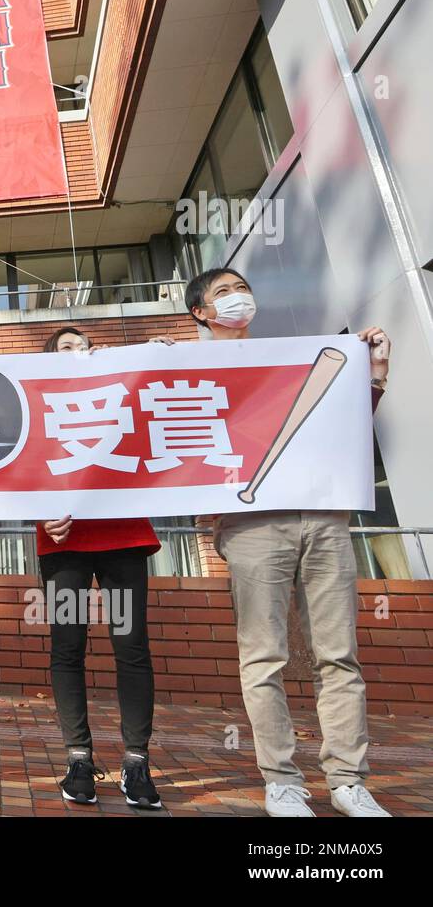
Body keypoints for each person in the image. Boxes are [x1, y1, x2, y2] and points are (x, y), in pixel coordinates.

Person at [178, 267, 392, 818]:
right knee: (265, 655)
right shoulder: (188, 366)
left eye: (240, 288)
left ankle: (348, 779)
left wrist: (373, 377)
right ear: (200, 312)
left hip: (323, 518)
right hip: (251, 527)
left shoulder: (297, 359)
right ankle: (281, 780)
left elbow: (338, 431)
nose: (237, 298)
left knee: (338, 655)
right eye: (222, 292)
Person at [34, 326, 163, 808]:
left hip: (123, 541)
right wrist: (41, 513)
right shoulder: (38, 400)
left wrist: (154, 356)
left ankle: (136, 762)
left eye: (83, 345)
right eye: (65, 348)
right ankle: (79, 759)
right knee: (68, 646)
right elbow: (19, 466)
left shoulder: (119, 391)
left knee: (130, 646)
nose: (78, 352)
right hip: (64, 544)